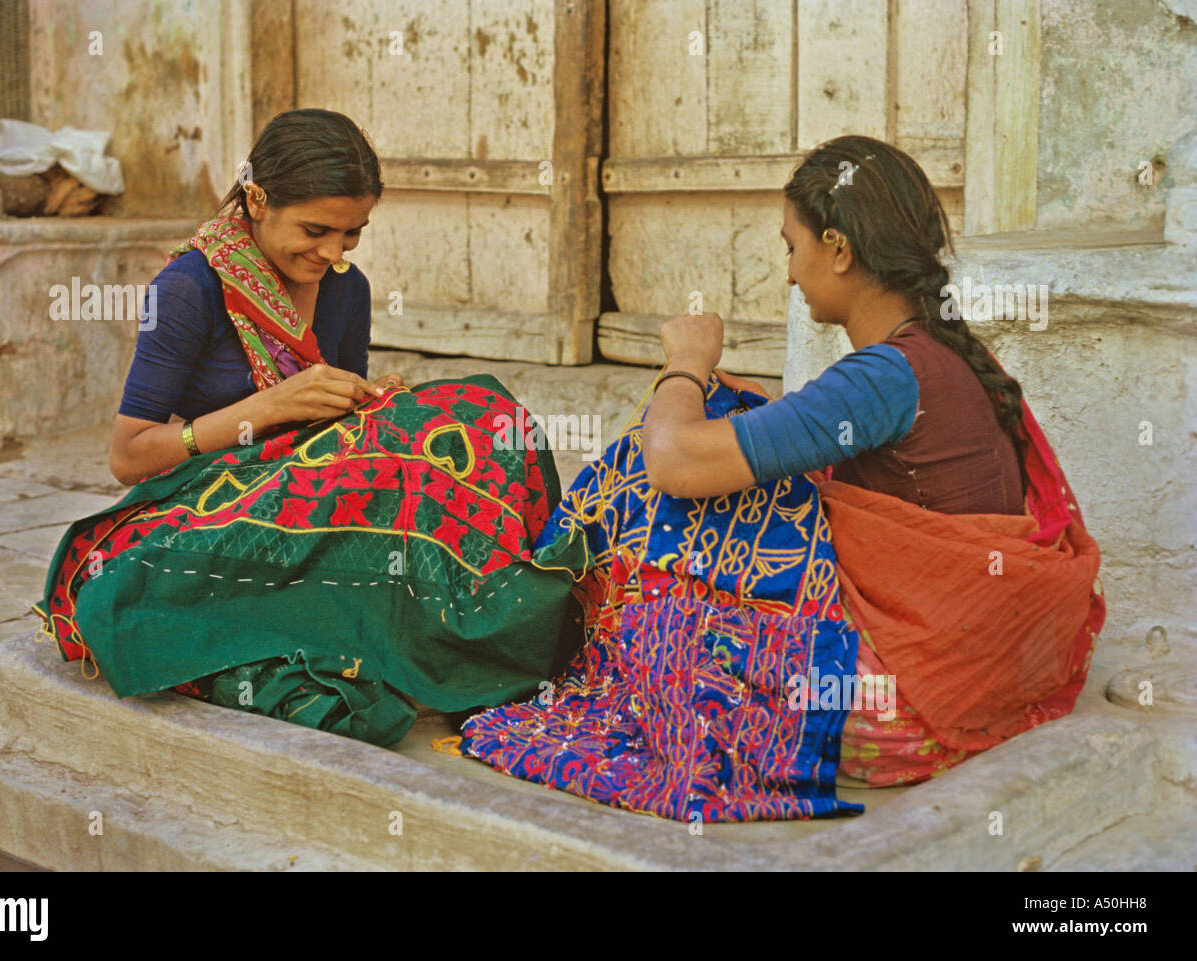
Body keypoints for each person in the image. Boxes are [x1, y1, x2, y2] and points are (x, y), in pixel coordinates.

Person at [459, 135, 1104, 819]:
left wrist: (687, 363)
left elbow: (674, 461)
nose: (791, 274)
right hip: (981, 687)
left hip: (898, 711)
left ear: (839, 249)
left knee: (647, 493)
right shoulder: (937, 359)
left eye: (792, 247)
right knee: (731, 444)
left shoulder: (884, 378)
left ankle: (525, 641)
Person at [34, 110, 578, 746]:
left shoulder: (346, 289)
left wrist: (368, 403)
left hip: (309, 483)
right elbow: (129, 456)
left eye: (352, 235)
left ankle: (488, 632)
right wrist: (268, 409)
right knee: (125, 595)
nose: (333, 253)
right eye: (316, 231)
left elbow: (336, 430)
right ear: (258, 201)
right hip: (212, 503)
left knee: (479, 416)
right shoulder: (187, 290)